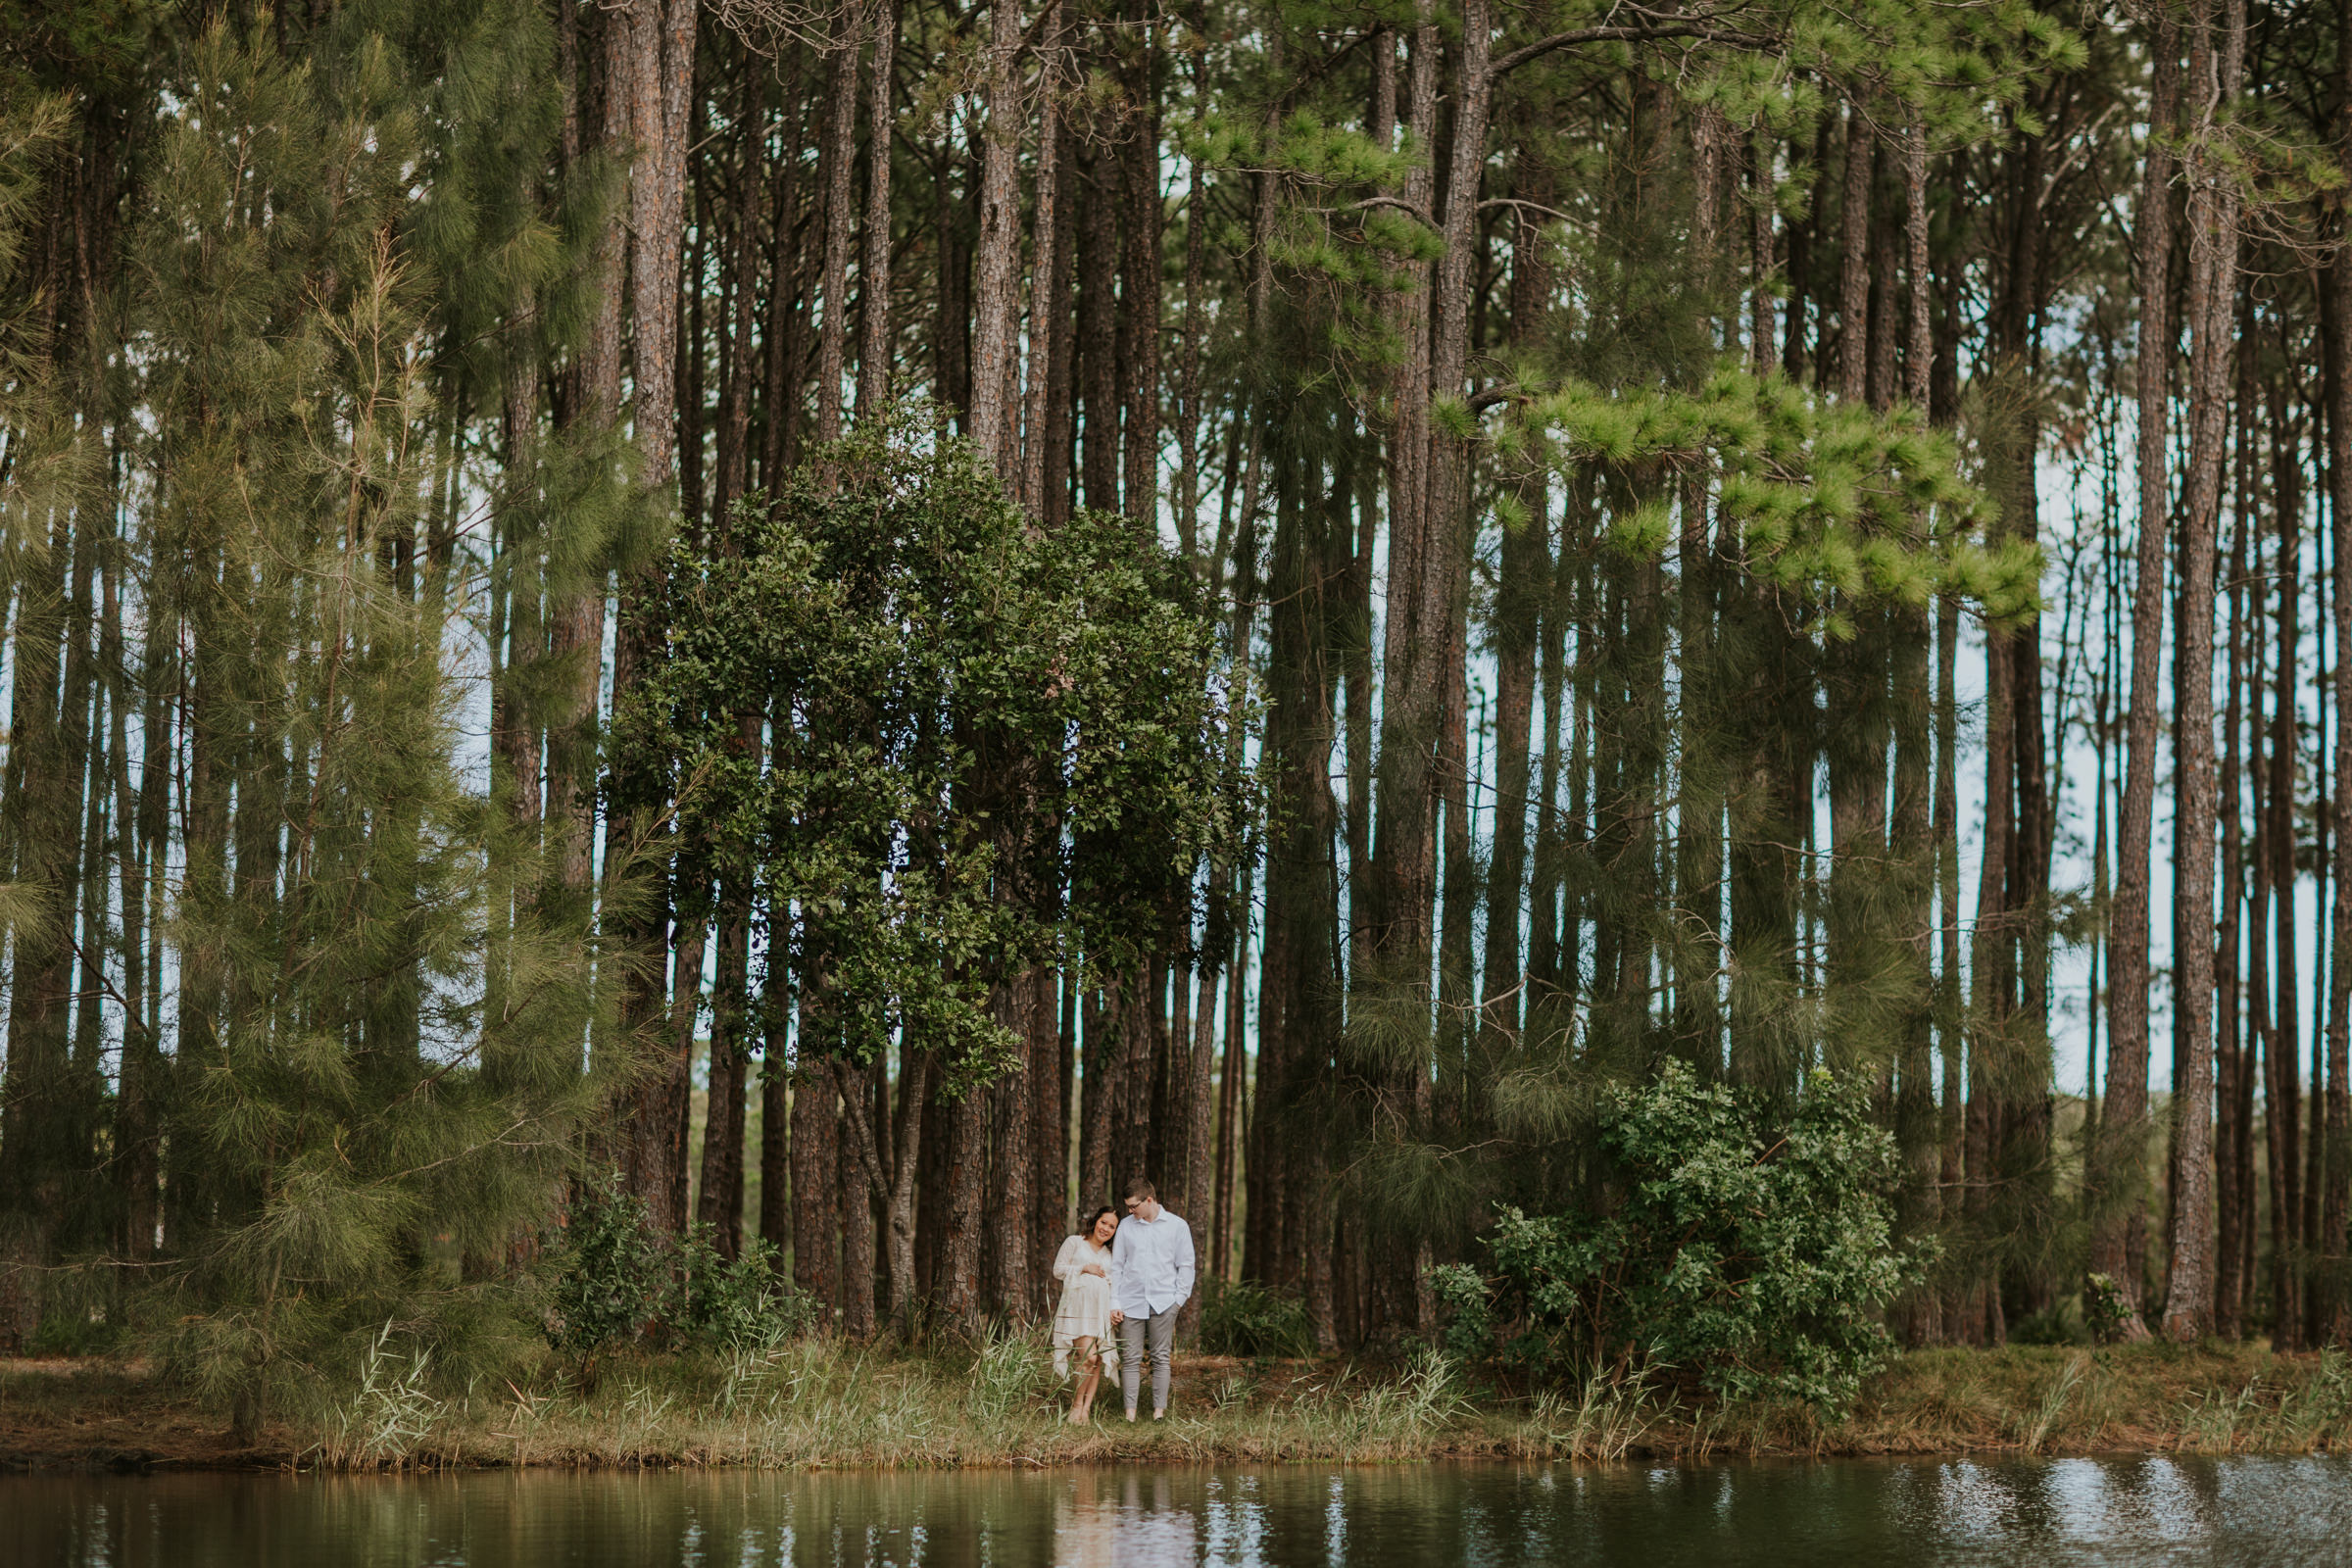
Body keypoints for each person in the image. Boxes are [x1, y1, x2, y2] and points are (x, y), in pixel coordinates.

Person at [1108, 1177, 1195, 1422]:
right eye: (1128, 1207)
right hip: (1131, 1302)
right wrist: (1115, 1302)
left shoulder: (1177, 1226)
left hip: (1164, 1302)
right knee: (1131, 1358)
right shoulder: (1126, 1225)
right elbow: (1117, 1265)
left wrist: (1178, 1301)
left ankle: (1159, 1412)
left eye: (1134, 1206)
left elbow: (1186, 1266)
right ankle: (1130, 1414)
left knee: (1160, 1357)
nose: (1130, 1211)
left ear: (1149, 1200)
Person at [1052, 1205, 1120, 1423]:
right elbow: (1058, 1270)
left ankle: (1086, 1410)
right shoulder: (1075, 1242)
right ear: (1095, 1221)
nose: (1106, 1228)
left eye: (1112, 1226)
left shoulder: (1110, 1255)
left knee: (1097, 1360)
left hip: (1101, 1313)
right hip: (1078, 1310)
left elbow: (1114, 1285)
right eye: (1104, 1222)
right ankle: (1076, 1405)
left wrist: (1115, 1310)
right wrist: (1083, 1269)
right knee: (1088, 1357)